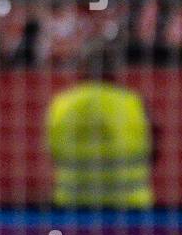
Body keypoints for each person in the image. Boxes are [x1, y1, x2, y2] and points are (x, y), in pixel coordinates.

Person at [46, 41, 154, 207]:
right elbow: (153, 150)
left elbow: (52, 152)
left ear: (82, 69)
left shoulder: (61, 104)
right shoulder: (135, 103)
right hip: (129, 206)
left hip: (74, 205)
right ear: (115, 70)